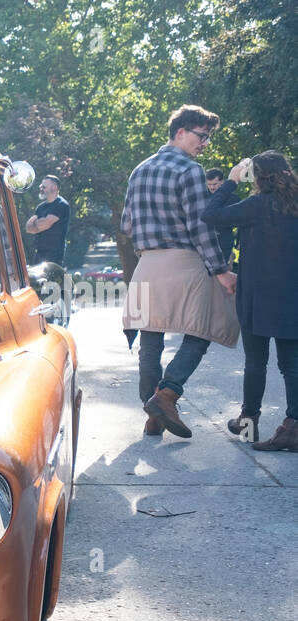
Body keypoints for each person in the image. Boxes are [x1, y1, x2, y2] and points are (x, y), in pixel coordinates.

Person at [120, 105, 238, 439]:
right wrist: (221, 271)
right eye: (203, 136)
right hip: (184, 263)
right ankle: (167, 393)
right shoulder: (190, 170)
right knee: (203, 330)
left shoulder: (139, 170)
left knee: (150, 337)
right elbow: (202, 228)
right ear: (181, 131)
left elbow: (126, 224)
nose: (205, 144)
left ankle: (152, 411)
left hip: (147, 265)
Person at [202, 151, 298, 451]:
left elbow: (210, 215)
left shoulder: (257, 205)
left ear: (257, 177)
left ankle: (248, 425)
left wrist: (230, 182)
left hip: (257, 295)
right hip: (292, 295)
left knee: (256, 362)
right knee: (291, 365)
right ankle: (293, 427)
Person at [25, 174, 69, 264]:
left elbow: (44, 225)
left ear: (54, 188)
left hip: (55, 255)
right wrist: (38, 223)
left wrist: (36, 222)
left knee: (57, 278)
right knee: (36, 277)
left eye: (44, 187)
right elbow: (29, 228)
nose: (41, 189)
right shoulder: (40, 207)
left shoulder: (61, 205)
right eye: (41, 186)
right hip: (39, 253)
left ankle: (66, 279)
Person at [205, 167, 240, 263]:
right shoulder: (202, 198)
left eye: (215, 184)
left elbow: (242, 222)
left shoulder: (234, 199)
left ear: (222, 182)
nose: (212, 187)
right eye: (209, 184)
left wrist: (239, 239)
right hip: (206, 243)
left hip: (225, 242)